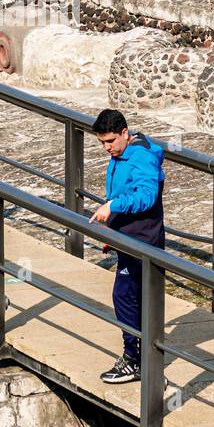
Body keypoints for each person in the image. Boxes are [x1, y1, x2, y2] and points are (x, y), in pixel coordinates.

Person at [89, 109, 166, 385]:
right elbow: (123, 191)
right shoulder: (121, 155)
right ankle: (145, 361)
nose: (107, 148)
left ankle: (135, 359)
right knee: (135, 298)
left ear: (125, 132)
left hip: (142, 240)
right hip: (129, 237)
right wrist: (113, 229)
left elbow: (146, 196)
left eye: (110, 141)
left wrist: (112, 207)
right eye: (102, 143)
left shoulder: (141, 157)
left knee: (125, 296)